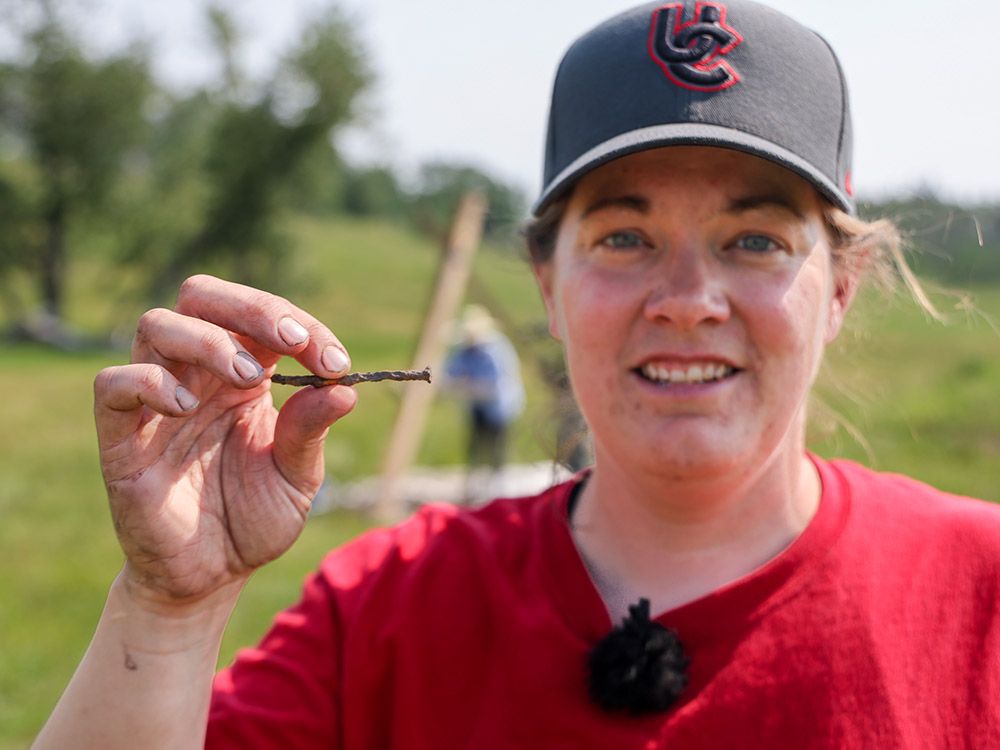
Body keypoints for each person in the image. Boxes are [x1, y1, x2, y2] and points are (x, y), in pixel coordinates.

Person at [34, 1, 1000, 748]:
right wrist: (168, 610)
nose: (688, 297)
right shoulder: (387, 615)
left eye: (755, 239)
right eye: (625, 235)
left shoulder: (981, 597)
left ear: (840, 288)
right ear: (547, 281)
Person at [441, 304, 525, 501]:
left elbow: (495, 386)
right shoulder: (464, 350)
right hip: (477, 406)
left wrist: (463, 386)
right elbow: (450, 373)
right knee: (475, 447)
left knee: (496, 449)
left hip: (500, 408)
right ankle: (473, 488)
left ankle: (498, 490)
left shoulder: (495, 350)